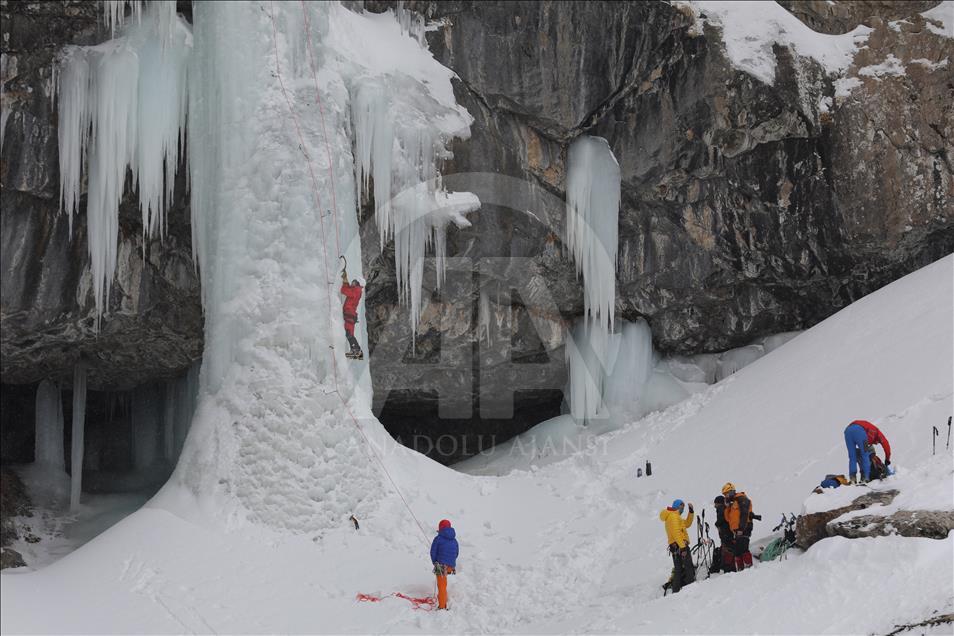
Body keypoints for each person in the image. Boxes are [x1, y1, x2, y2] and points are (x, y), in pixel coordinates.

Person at [659, 499, 695, 593]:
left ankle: (676, 590)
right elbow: (676, 533)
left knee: (678, 568)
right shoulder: (673, 517)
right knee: (688, 566)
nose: (683, 508)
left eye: (683, 506)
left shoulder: (675, 517)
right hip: (680, 546)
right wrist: (683, 547)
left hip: (675, 546)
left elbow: (687, 524)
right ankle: (691, 587)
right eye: (681, 506)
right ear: (676, 506)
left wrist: (690, 512)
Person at [722, 482, 754, 571]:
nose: (726, 496)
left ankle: (748, 568)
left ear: (732, 491)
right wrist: (728, 507)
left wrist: (741, 528)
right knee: (737, 551)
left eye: (726, 494)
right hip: (737, 530)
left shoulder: (742, 499)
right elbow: (728, 519)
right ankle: (741, 569)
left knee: (743, 548)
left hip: (744, 528)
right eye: (725, 495)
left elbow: (745, 514)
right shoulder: (733, 503)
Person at [430, 519, 459, 610]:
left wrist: (435, 562)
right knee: (443, 584)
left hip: (441, 566)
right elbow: (456, 553)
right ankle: (442, 598)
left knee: (441, 586)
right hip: (451, 566)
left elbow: (433, 552)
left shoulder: (438, 539)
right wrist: (451, 562)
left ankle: (442, 606)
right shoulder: (454, 540)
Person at [340, 271, 365, 360]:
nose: (352, 283)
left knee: (349, 333)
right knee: (349, 333)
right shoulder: (356, 290)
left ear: (357, 283)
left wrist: (345, 281)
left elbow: (344, 291)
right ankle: (356, 351)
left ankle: (357, 352)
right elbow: (348, 290)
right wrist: (345, 280)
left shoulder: (357, 290)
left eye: (354, 282)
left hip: (349, 314)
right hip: (350, 314)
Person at [710, 495, 735, 573]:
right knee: (728, 548)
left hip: (726, 533)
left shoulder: (721, 508)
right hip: (729, 533)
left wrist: (717, 524)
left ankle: (728, 567)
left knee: (727, 549)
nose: (715, 506)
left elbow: (721, 519)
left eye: (715, 504)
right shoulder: (726, 508)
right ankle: (729, 566)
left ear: (719, 503)